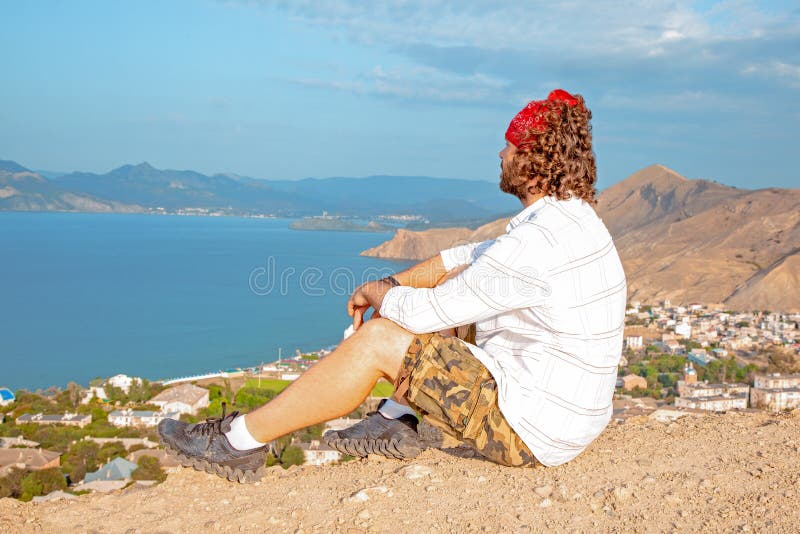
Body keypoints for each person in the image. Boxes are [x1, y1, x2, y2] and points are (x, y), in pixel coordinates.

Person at [158, 89, 627, 482]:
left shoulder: (533, 243)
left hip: (536, 432)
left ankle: (236, 442)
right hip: (569, 418)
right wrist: (385, 282)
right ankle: (395, 421)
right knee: (451, 288)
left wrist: (380, 298)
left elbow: (420, 315)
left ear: (531, 160)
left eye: (509, 147)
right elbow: (461, 258)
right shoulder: (572, 222)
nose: (501, 154)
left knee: (381, 337)